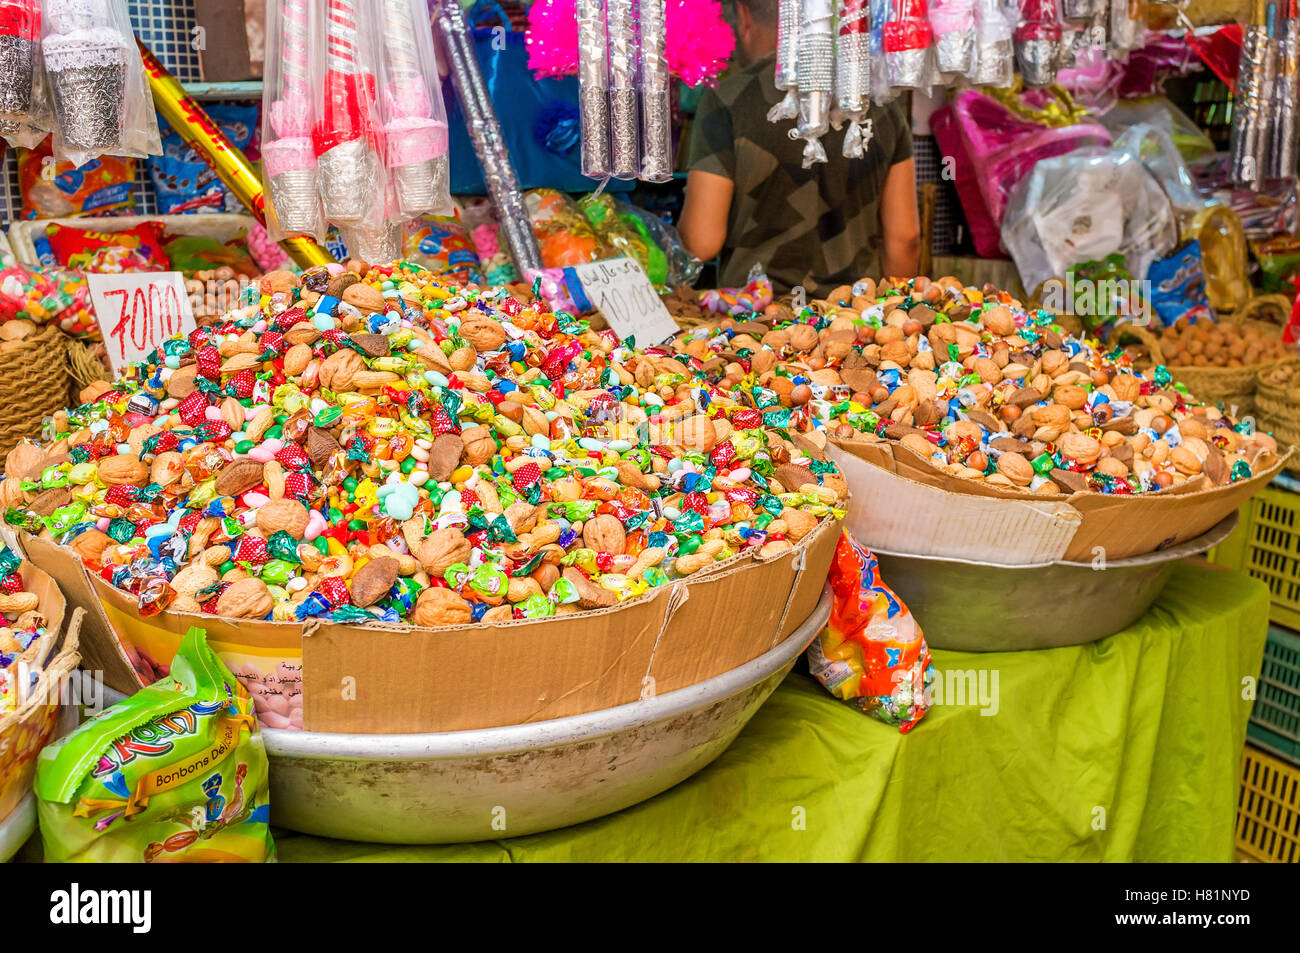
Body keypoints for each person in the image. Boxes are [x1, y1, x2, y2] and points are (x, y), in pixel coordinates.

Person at [678, 0, 921, 296]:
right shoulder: (877, 103)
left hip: (754, 324)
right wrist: (892, 313)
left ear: (743, 17)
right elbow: (905, 239)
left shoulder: (728, 99)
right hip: (852, 323)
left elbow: (701, 242)